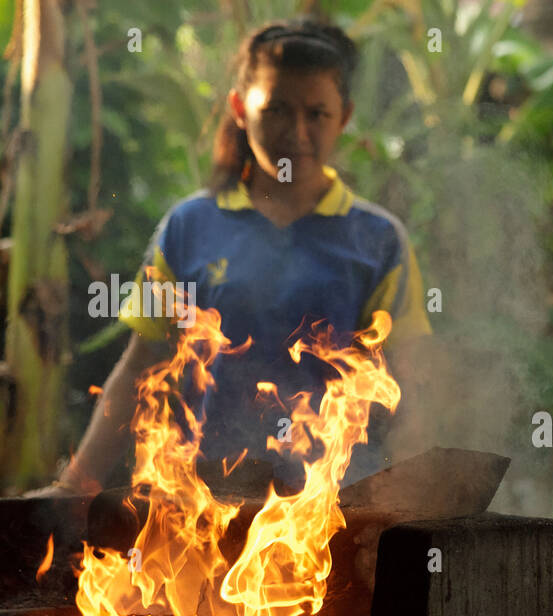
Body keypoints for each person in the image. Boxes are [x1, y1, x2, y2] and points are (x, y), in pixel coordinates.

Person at [34, 19, 430, 497]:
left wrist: (409, 505)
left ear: (343, 117)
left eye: (317, 114)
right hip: (201, 508)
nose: (296, 132)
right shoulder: (189, 227)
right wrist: (75, 486)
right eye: (277, 109)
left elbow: (412, 387)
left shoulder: (380, 239)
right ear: (241, 109)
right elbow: (142, 363)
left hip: (328, 513)